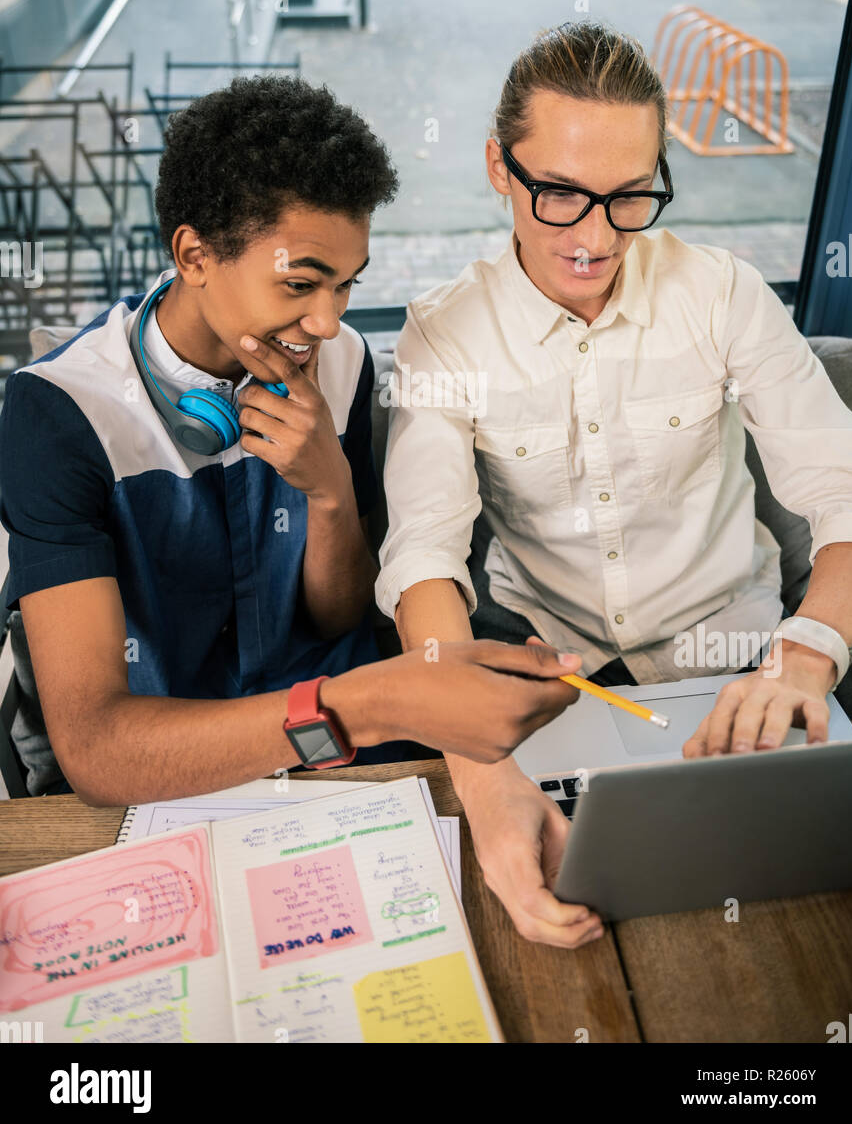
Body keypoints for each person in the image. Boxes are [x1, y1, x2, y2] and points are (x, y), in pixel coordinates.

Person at [375, 20, 852, 950]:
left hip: (743, 664)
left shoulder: (721, 293)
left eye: (631, 196)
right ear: (496, 167)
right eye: (559, 194)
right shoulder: (443, 334)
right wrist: (481, 781)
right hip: (552, 680)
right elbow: (423, 558)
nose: (596, 238)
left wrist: (805, 656)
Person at [0, 76, 580, 805]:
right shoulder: (63, 411)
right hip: (176, 775)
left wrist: (330, 491)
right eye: (301, 285)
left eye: (345, 285)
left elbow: (335, 618)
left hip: (340, 760)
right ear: (194, 256)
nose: (329, 322)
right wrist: (365, 703)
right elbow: (98, 752)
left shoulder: (341, 364)